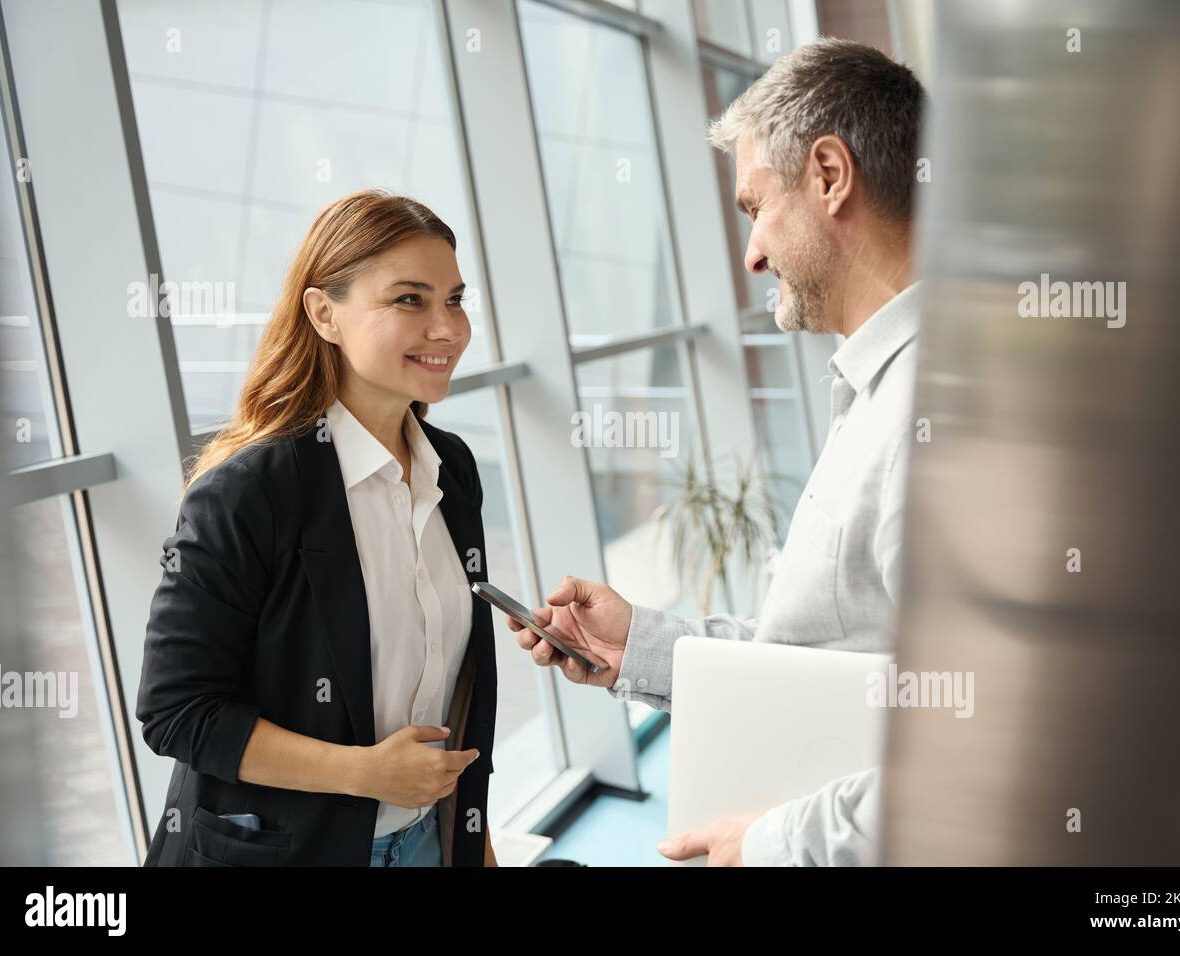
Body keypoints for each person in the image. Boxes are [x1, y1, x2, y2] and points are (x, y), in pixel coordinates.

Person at [507, 37, 925, 866]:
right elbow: (822, 653)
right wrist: (641, 648)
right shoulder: (878, 391)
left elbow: (990, 739)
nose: (752, 255)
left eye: (754, 207)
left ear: (830, 175)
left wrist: (768, 843)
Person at [137, 190, 497, 866]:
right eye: (410, 300)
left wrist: (471, 844)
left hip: (428, 842)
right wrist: (363, 773)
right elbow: (176, 711)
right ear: (323, 313)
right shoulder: (248, 493)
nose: (447, 328)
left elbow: (457, 693)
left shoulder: (452, 466)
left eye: (454, 299)